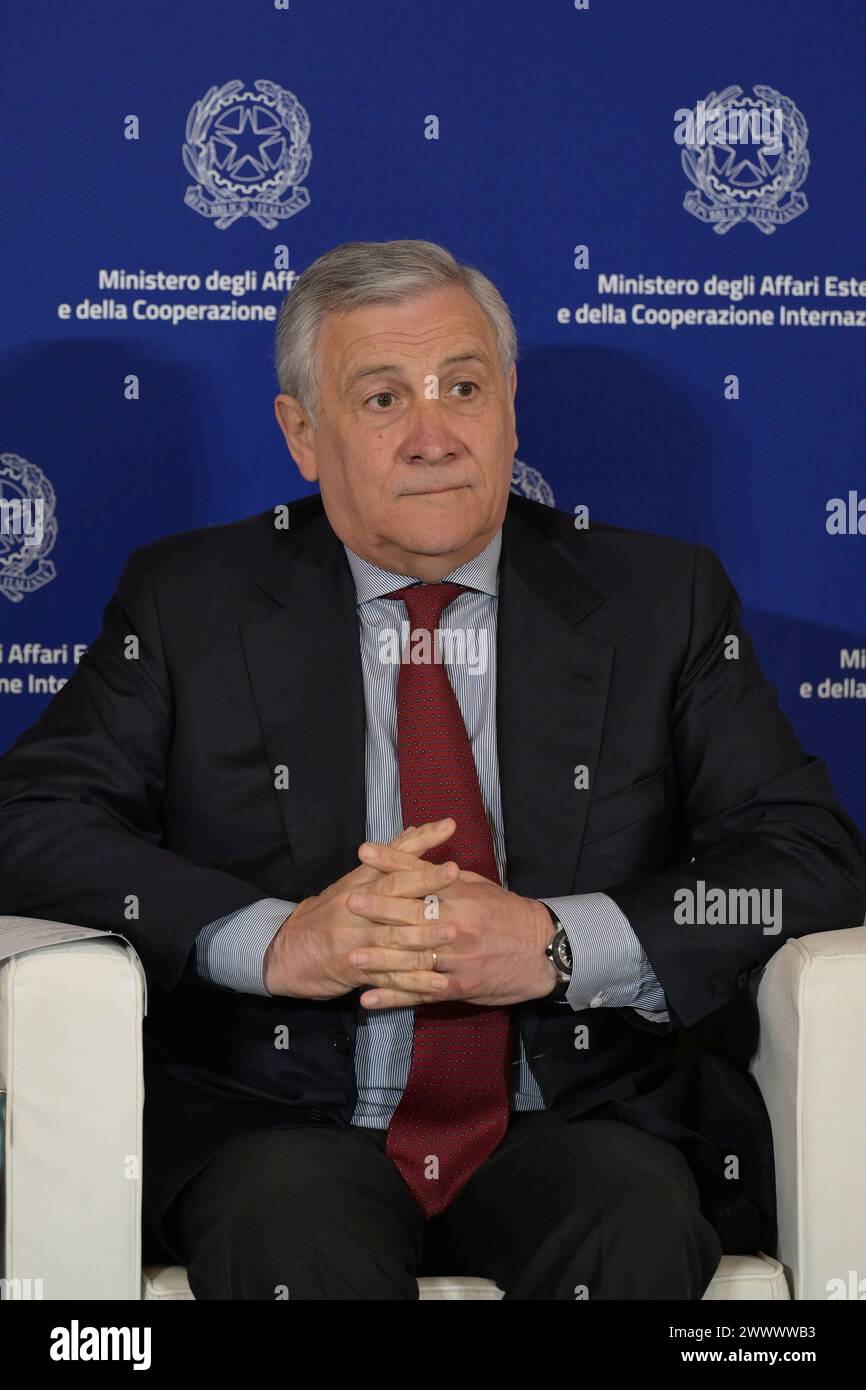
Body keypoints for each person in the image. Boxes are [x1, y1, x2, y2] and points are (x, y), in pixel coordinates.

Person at [1, 239, 864, 1301]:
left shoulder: (659, 598)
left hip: (573, 1110)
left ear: (509, 412)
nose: (432, 436)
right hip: (282, 1118)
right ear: (301, 436)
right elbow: (33, 823)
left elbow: (806, 857)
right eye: (379, 398)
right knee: (291, 1234)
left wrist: (556, 943)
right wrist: (277, 941)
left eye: (462, 386)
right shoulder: (191, 602)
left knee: (627, 1220)